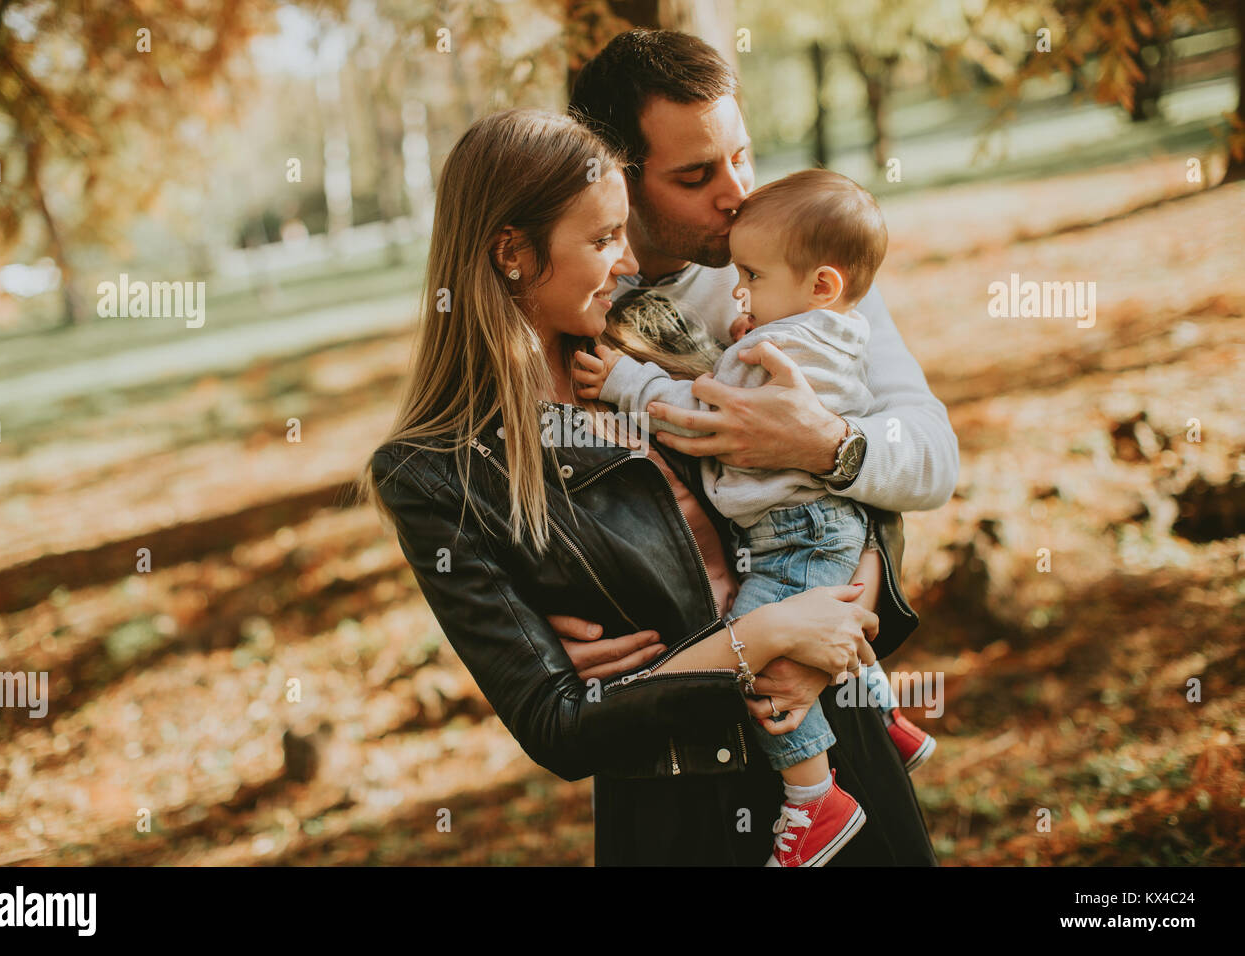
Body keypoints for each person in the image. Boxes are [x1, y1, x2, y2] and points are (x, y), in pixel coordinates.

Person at [364, 107, 937, 866]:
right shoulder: (437, 472)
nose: (631, 262)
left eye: (625, 231)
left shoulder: (653, 338)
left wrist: (852, 591)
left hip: (850, 765)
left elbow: (820, 491)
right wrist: (762, 637)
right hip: (690, 820)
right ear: (512, 253)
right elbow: (560, 725)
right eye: (603, 240)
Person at [574, 168, 939, 866]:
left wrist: (623, 382)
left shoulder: (789, 341)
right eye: (696, 171)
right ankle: (884, 715)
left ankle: (814, 800)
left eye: (753, 278)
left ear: (820, 286)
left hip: (794, 536)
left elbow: (701, 413)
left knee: (762, 666)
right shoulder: (820, 324)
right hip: (822, 527)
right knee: (809, 622)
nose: (740, 292)